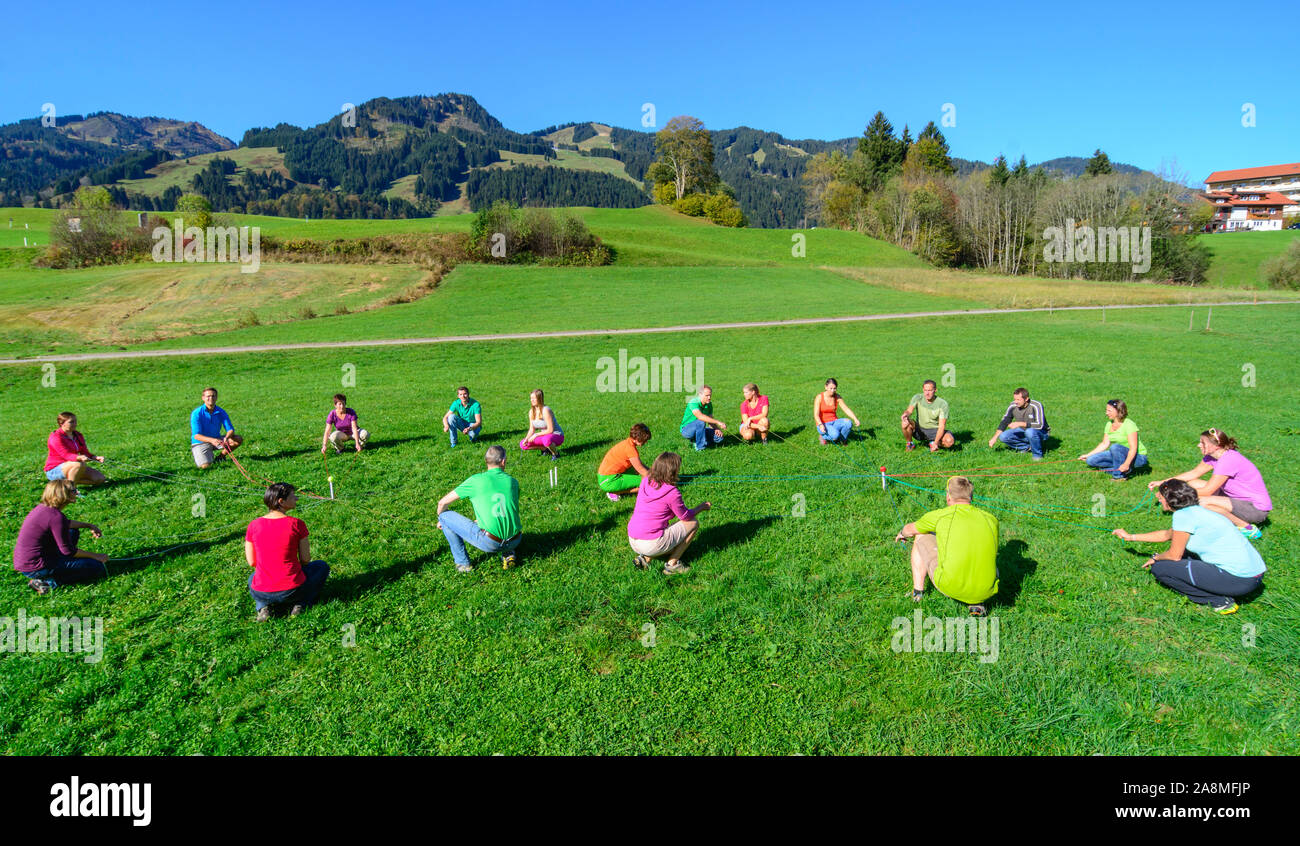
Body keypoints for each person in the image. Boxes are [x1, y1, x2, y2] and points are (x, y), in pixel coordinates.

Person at [1112, 479, 1265, 615]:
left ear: (1169, 500)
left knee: (1160, 569)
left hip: (1239, 580)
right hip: (1255, 576)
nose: (1158, 499)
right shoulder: (1198, 511)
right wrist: (1130, 537)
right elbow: (1166, 535)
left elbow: (1174, 555)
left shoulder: (1183, 516)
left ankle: (1219, 601)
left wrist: (1156, 558)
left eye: (1160, 497)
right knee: (1184, 555)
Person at [894, 476, 999, 616]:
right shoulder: (991, 519)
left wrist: (902, 533)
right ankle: (976, 604)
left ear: (948, 497)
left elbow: (910, 529)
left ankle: (917, 593)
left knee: (920, 534)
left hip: (950, 585)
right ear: (971, 497)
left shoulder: (940, 516)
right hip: (987, 589)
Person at [1147, 429, 1271, 539]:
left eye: (1203, 443)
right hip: (1235, 498)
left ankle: (1247, 528)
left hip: (1255, 509)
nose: (1199, 445)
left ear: (1216, 446)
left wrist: (1171, 494)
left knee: (1202, 502)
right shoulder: (1213, 456)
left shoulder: (1228, 461)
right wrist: (1164, 483)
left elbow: (1208, 491)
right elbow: (1194, 473)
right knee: (1193, 483)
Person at [245, 482, 330, 621]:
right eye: (293, 496)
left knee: (252, 578)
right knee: (321, 566)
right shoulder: (297, 524)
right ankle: (301, 604)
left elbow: (252, 562)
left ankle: (263, 607)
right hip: (292, 590)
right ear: (281, 501)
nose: (296, 498)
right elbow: (305, 559)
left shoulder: (253, 525)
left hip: (262, 591)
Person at [13, 480, 108, 594]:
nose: (77, 492)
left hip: (28, 561)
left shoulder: (44, 508)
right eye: (74, 490)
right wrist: (96, 556)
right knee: (97, 567)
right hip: (36, 566)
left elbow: (66, 524)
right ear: (64, 495)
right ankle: (48, 583)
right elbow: (69, 551)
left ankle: (62, 566)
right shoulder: (56, 517)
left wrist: (89, 525)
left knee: (72, 531)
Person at [436, 445, 521, 572]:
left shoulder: (475, 480)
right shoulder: (513, 482)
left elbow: (442, 503)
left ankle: (463, 564)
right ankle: (508, 553)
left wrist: (441, 520)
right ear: (503, 461)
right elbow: (509, 508)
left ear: (486, 461)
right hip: (515, 539)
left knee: (444, 516)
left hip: (490, 542)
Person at [627, 452, 710, 575]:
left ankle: (645, 559)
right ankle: (672, 565)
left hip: (633, 538)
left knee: (662, 529)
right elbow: (685, 516)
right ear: (673, 471)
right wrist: (701, 507)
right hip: (650, 544)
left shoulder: (645, 481)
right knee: (693, 523)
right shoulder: (672, 493)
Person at [1079, 399, 1148, 481]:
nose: (1106, 413)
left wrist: (1126, 464)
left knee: (1115, 447)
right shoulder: (1109, 424)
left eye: (1109, 411)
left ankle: (1119, 476)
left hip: (1138, 457)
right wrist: (1088, 455)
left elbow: (1133, 448)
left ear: (1118, 411)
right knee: (1091, 460)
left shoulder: (1129, 424)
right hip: (1119, 455)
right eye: (1106, 410)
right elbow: (1104, 443)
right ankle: (1125, 470)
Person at [988, 388, 1050, 460]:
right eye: (1015, 399)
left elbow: (1040, 425)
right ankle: (1026, 448)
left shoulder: (1036, 405)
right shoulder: (1013, 405)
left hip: (1041, 432)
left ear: (1026, 399)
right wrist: (994, 438)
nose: (1016, 402)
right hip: (1023, 430)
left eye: (1018, 400)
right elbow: (1005, 421)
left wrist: (1020, 423)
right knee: (1003, 436)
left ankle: (1037, 455)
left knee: (1030, 432)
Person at [44, 412, 106, 485]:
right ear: (61, 423)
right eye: (71, 422)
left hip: (73, 466)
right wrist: (79, 457)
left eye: (75, 421)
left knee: (99, 478)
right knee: (79, 464)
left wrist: (95, 457)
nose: (75, 424)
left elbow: (84, 451)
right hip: (55, 469)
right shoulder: (56, 437)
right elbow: (66, 455)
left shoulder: (78, 435)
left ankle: (66, 482)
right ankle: (71, 488)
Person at [191, 386, 243, 469]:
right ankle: (207, 457)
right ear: (203, 398)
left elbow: (230, 429)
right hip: (200, 442)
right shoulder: (197, 413)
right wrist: (212, 440)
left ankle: (221, 457)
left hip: (217, 439)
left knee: (238, 439)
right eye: (208, 396)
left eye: (213, 396)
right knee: (206, 467)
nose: (211, 398)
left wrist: (227, 437)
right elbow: (196, 436)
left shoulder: (221, 411)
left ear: (216, 397)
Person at [598, 423, 652, 501]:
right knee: (647, 483)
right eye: (645, 440)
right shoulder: (631, 450)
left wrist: (652, 472)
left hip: (603, 477)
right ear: (637, 439)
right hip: (608, 481)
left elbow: (639, 464)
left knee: (643, 476)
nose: (646, 442)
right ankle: (615, 492)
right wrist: (658, 479)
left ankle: (618, 489)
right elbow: (641, 470)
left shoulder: (627, 443)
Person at [901, 379, 954, 452]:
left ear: (935, 390)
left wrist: (935, 443)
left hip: (934, 431)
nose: (927, 393)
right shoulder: (918, 398)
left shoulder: (942, 404)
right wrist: (905, 415)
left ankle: (933, 442)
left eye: (930, 390)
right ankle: (910, 444)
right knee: (905, 423)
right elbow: (909, 411)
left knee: (949, 441)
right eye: (925, 390)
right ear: (923, 389)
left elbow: (942, 426)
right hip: (920, 429)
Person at [813, 378, 861, 444]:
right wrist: (820, 425)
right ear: (826, 387)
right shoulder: (819, 397)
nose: (833, 391)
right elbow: (816, 414)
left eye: (834, 388)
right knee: (835, 435)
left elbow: (846, 409)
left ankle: (842, 440)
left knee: (848, 423)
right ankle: (823, 437)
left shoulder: (837, 397)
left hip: (834, 422)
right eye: (831, 388)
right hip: (823, 424)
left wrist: (855, 419)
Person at [519, 389, 563, 459]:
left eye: (534, 398)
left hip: (556, 435)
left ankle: (556, 454)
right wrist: (527, 439)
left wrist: (536, 435)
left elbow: (550, 430)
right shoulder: (531, 412)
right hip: (544, 436)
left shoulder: (546, 410)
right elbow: (531, 429)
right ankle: (545, 449)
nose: (532, 400)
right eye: (531, 398)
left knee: (546, 440)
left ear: (540, 399)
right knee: (522, 444)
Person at [680, 385, 726, 451]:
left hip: (700, 428)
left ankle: (698, 441)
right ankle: (700, 448)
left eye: (710, 395)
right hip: (687, 430)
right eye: (707, 395)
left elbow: (710, 420)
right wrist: (718, 422)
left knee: (719, 437)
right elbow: (700, 416)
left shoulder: (709, 404)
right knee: (701, 421)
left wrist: (716, 428)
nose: (709, 398)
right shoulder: (693, 402)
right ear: (700, 395)